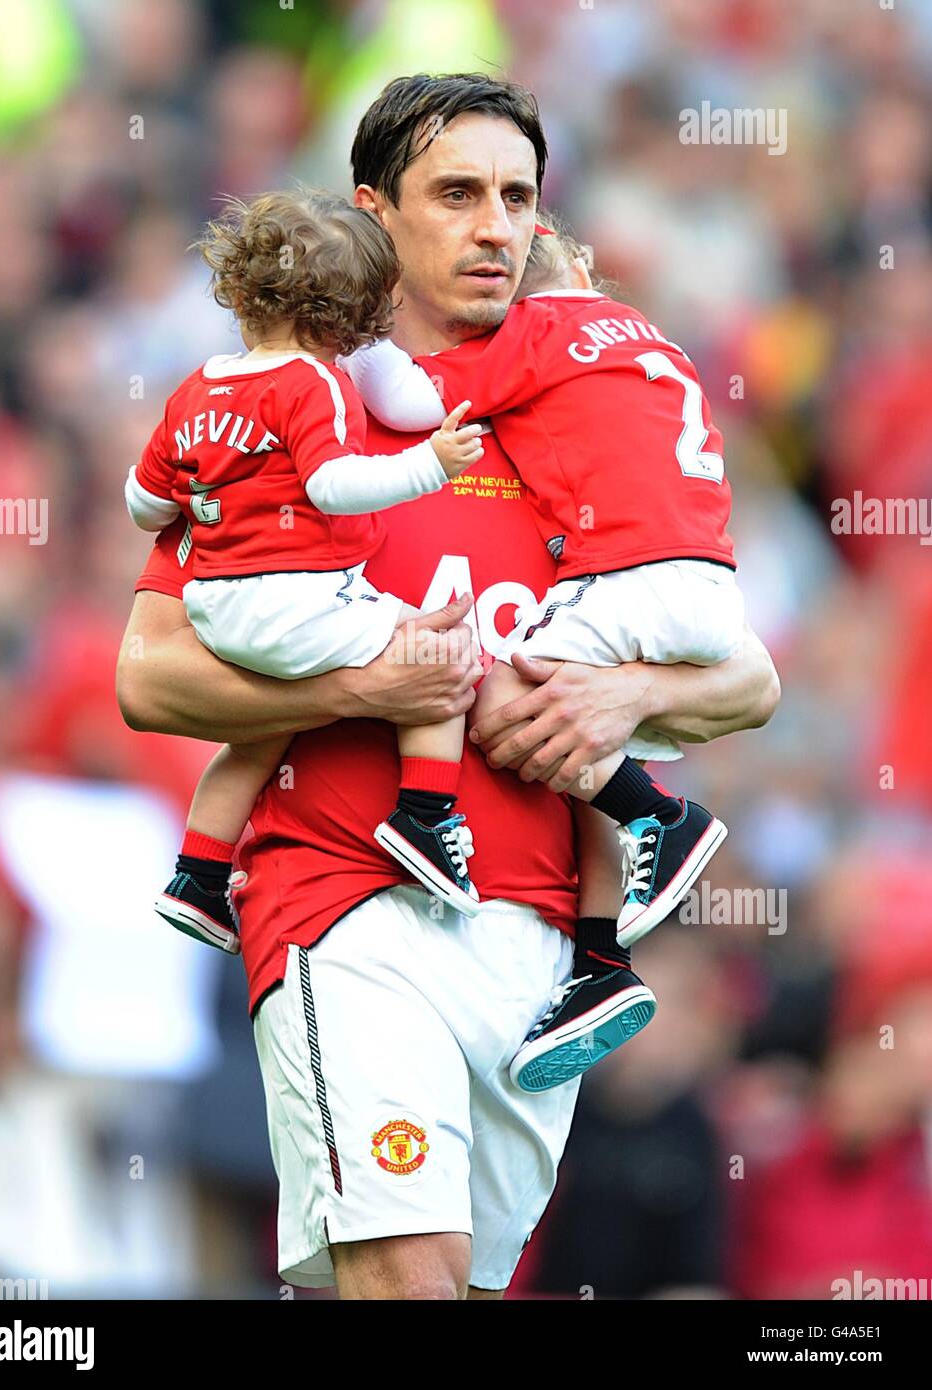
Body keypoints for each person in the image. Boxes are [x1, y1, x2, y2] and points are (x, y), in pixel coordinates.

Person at [116, 72, 780, 1300]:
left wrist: (621, 696)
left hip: (537, 940)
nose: (494, 226)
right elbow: (149, 676)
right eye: (457, 193)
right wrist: (371, 682)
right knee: (408, 1276)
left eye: (517, 197)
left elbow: (746, 678)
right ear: (374, 211)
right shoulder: (294, 403)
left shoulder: (585, 399)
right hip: (344, 892)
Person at [339, 208, 746, 1092]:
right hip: (705, 582)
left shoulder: (537, 329)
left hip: (625, 571)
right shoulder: (646, 337)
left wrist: (348, 350)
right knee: (591, 737)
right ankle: (599, 968)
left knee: (493, 681)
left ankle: (658, 822)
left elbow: (415, 400)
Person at [124, 188, 487, 952]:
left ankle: (196, 875)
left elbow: (144, 502)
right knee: (438, 661)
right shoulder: (313, 382)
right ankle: (423, 821)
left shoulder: (200, 385)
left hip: (218, 612)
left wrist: (205, 499)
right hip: (296, 600)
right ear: (342, 321)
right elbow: (330, 485)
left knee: (257, 741)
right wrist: (432, 464)